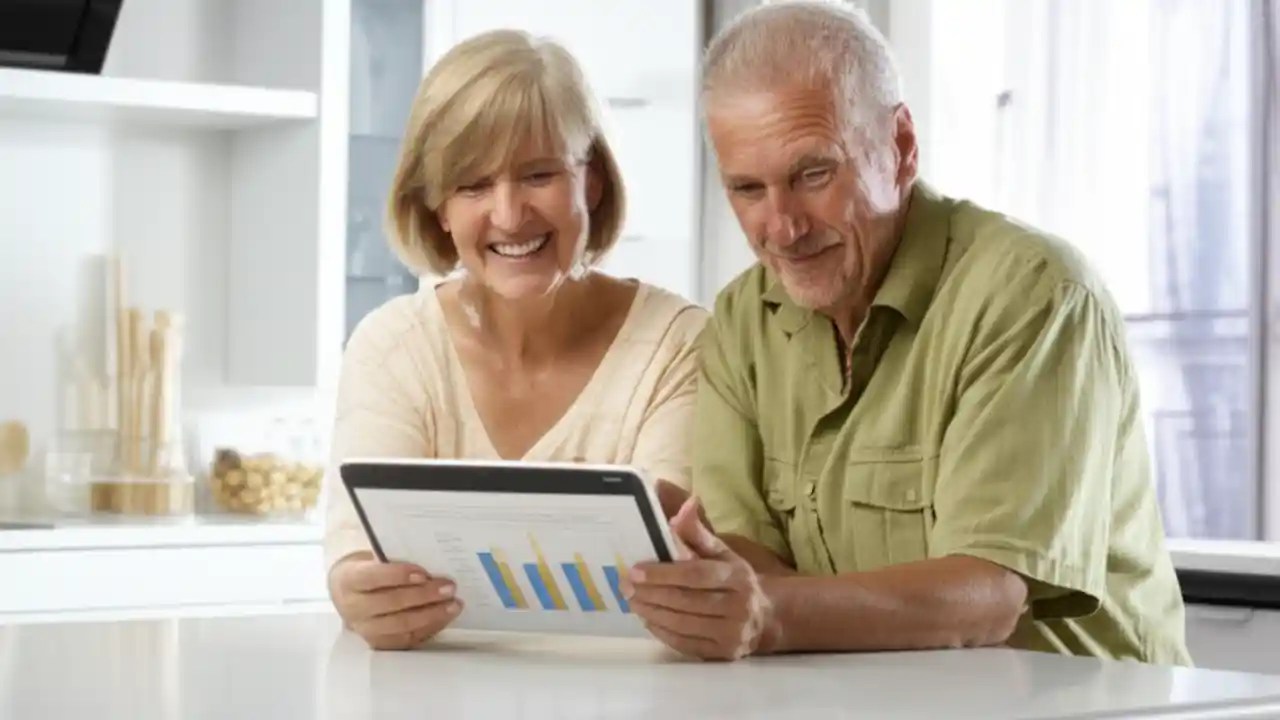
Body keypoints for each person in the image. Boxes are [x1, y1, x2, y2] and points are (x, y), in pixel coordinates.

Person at [623, 1, 1191, 665]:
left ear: (901, 147)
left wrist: (768, 613)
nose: (782, 226)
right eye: (748, 188)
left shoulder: (1034, 295)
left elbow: (990, 593)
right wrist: (704, 572)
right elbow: (751, 564)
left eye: (813, 174)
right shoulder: (741, 323)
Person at [323, 29, 708, 651]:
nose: (508, 215)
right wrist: (359, 591)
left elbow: (670, 562)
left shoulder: (677, 344)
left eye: (538, 174)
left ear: (594, 182)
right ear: (438, 208)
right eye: (472, 185)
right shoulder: (391, 345)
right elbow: (355, 557)